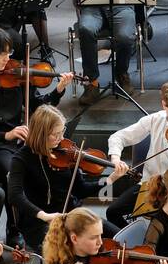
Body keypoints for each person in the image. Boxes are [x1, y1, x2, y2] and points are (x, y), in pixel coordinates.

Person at [0, 26, 73, 249]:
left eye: (9, 53)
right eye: (4, 54)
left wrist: (58, 89)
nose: (8, 58)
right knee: (15, 173)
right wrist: (7, 134)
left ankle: (46, 221)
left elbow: (39, 108)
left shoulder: (16, 78)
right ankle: (16, 229)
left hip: (20, 142)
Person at [9, 106, 117, 252]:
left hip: (71, 214)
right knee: (74, 249)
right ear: (41, 134)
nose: (61, 138)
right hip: (39, 222)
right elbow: (15, 195)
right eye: (55, 134)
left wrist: (110, 180)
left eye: (62, 132)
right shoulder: (22, 158)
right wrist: (44, 216)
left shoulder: (66, 153)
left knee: (116, 236)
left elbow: (81, 190)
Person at [105, 80, 168, 226]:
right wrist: (116, 158)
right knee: (112, 212)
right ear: (163, 105)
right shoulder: (155, 119)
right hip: (150, 184)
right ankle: (135, 244)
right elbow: (119, 137)